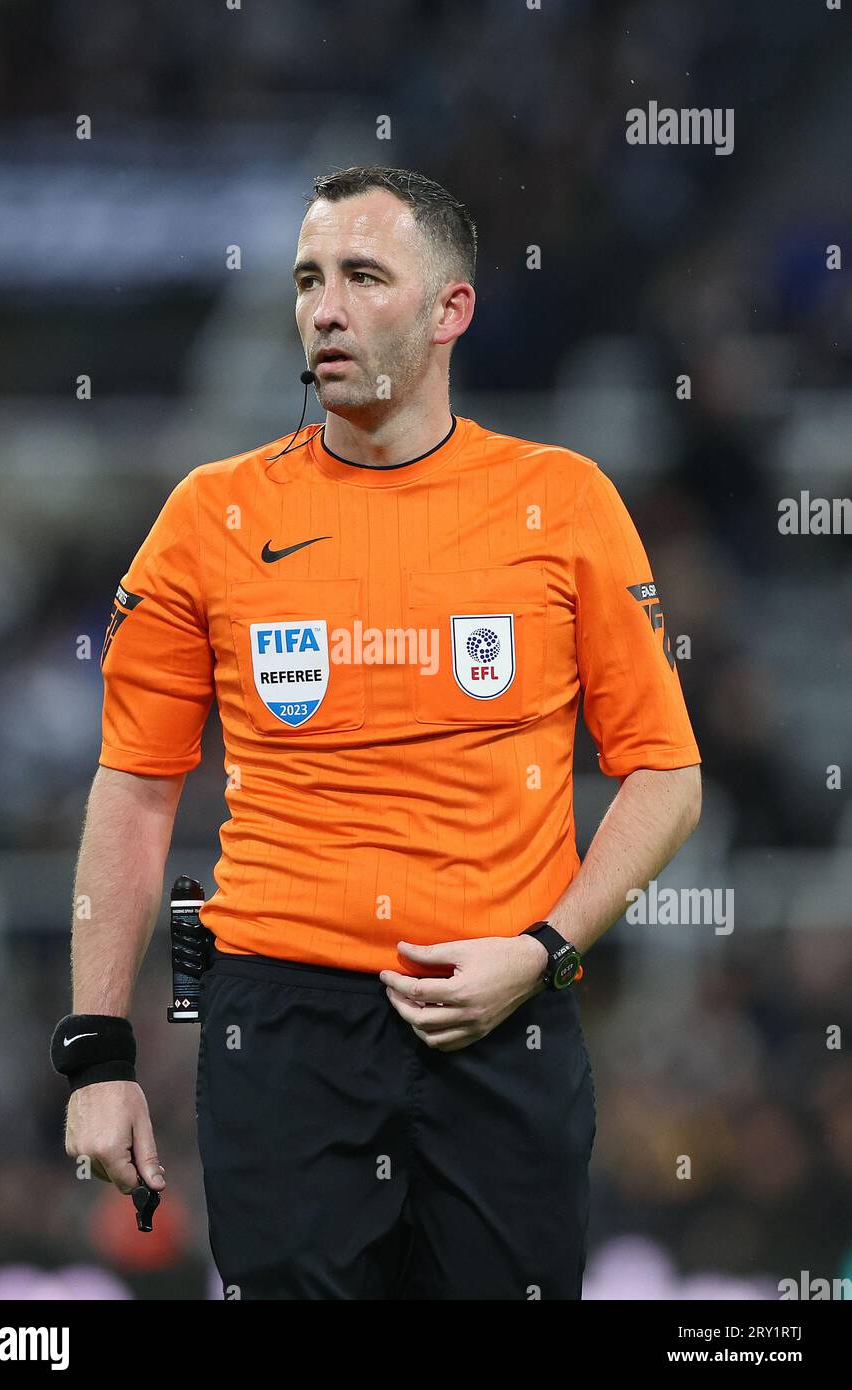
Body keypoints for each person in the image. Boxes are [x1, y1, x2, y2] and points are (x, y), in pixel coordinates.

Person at [56, 165, 701, 1300]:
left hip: (502, 1014)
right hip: (281, 1024)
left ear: (449, 310)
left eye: (363, 276)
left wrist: (547, 948)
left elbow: (665, 773)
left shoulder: (563, 503)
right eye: (309, 279)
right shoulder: (211, 517)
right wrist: (99, 1053)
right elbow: (135, 788)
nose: (325, 308)